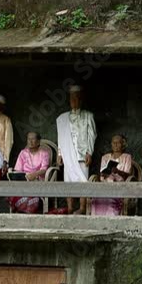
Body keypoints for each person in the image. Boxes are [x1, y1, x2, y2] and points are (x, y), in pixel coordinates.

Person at [55, 85, 96, 214]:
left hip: (82, 154)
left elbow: (92, 135)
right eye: (72, 98)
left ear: (81, 100)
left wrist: (89, 152)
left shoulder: (89, 115)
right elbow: (60, 137)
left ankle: (82, 208)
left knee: (82, 181)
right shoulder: (62, 119)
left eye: (77, 98)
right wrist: (59, 154)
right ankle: (70, 207)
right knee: (68, 181)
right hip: (68, 153)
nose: (74, 101)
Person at [7, 131, 52, 214]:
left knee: (30, 196)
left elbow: (44, 169)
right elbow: (18, 170)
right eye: (28, 139)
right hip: (24, 182)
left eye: (33, 139)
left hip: (38, 181)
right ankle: (22, 211)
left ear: (38, 141)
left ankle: (26, 212)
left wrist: (34, 175)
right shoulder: (23, 153)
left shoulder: (44, 153)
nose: (30, 141)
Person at [90, 134, 134, 216]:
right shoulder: (105, 157)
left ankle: (111, 222)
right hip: (105, 186)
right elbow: (101, 175)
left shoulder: (127, 157)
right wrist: (104, 173)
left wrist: (118, 171)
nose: (116, 144)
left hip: (119, 187)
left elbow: (128, 176)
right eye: (114, 143)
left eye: (118, 142)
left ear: (123, 144)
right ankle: (97, 221)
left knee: (111, 199)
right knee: (96, 199)